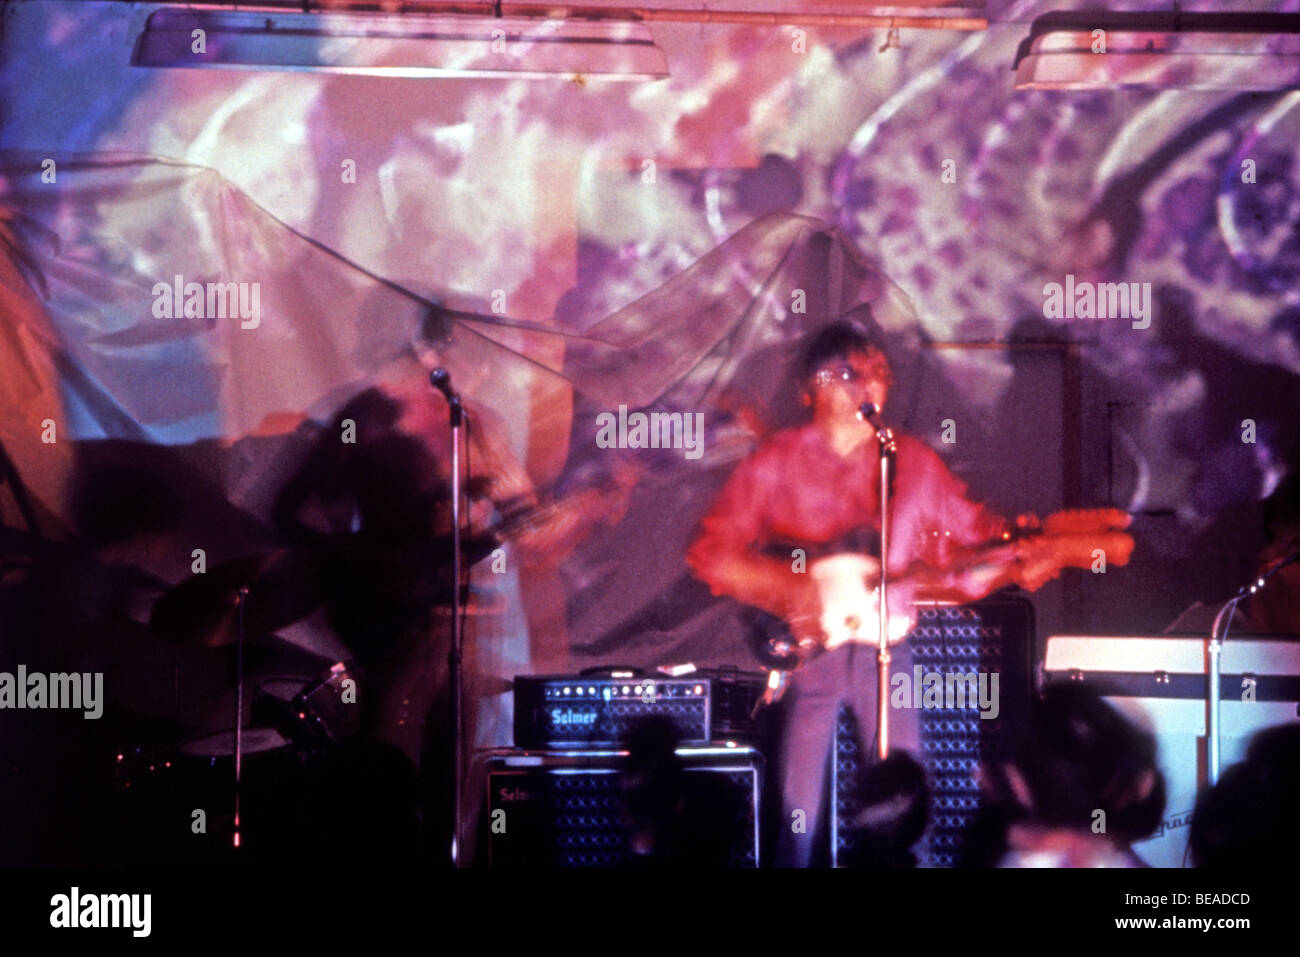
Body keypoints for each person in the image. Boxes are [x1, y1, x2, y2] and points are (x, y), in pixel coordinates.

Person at [686, 308, 1031, 867]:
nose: (868, 384)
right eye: (848, 374)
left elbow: (970, 535)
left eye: (878, 373)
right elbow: (712, 552)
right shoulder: (776, 461)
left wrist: (1013, 542)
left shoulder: (911, 461)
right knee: (797, 801)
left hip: (888, 646)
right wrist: (788, 587)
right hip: (812, 651)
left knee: (906, 788)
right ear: (811, 387)